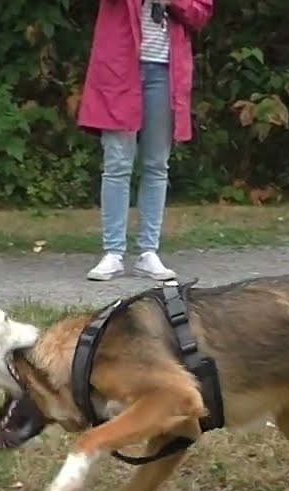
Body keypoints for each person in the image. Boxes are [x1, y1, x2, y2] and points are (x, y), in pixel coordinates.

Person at [76, 0, 214, 281]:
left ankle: (148, 252)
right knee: (117, 163)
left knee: (156, 164)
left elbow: (200, 14)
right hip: (120, 69)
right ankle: (113, 253)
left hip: (164, 72)